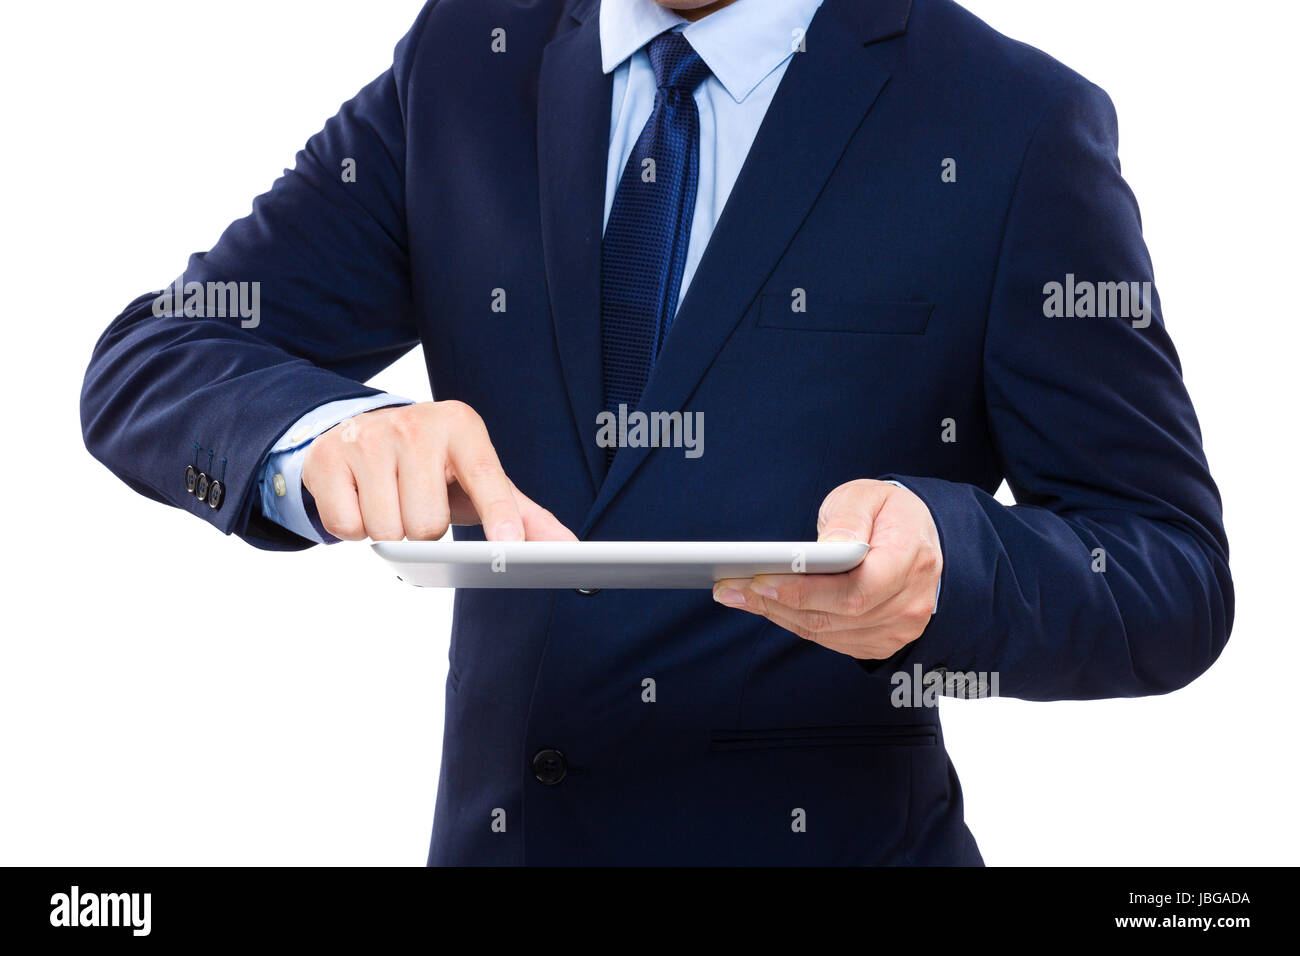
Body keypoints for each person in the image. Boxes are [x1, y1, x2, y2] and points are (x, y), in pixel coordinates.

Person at [81, 0, 1233, 865]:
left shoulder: (1009, 120)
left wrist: (954, 558)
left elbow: (1170, 570)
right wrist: (322, 434)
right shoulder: (466, 58)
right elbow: (154, 354)